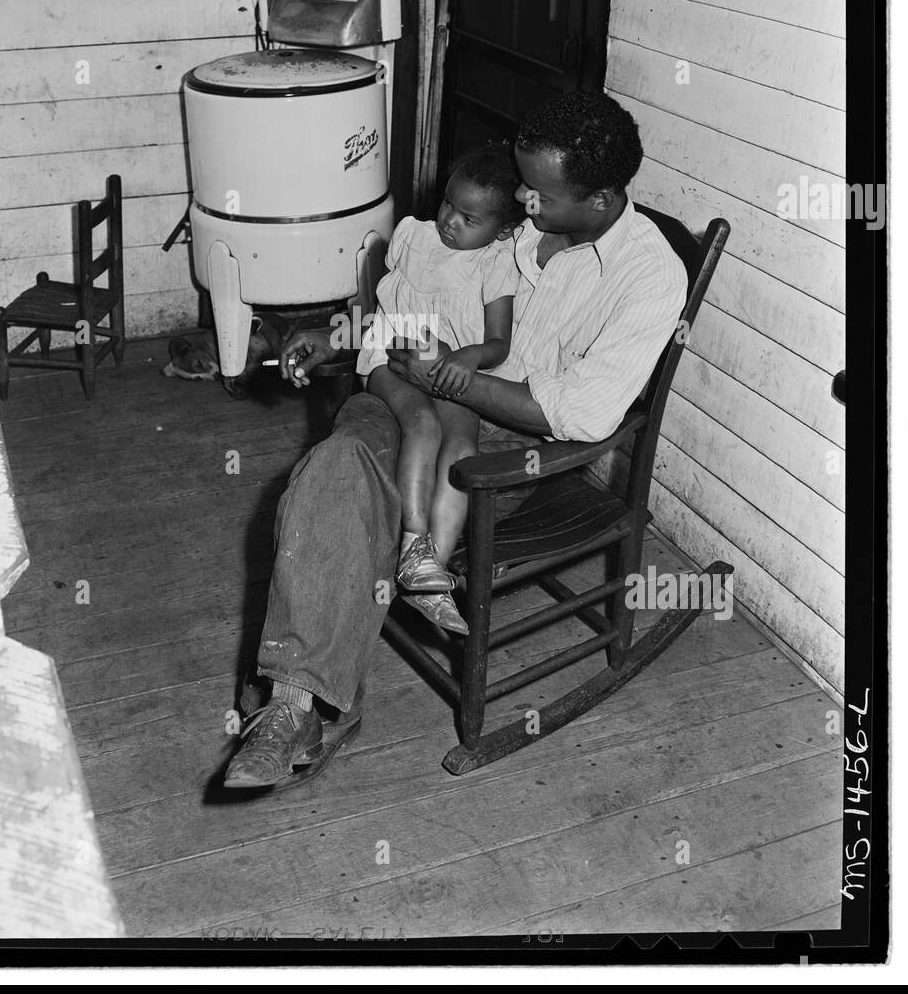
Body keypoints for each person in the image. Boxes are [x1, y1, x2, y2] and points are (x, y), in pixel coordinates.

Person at [223, 91, 687, 789]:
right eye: (521, 185)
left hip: (515, 444)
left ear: (600, 197)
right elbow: (408, 292)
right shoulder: (501, 219)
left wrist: (451, 381)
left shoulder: (647, 279)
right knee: (337, 462)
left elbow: (585, 416)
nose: (522, 200)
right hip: (416, 387)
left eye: (538, 193)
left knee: (355, 492)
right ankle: (297, 703)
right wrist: (341, 336)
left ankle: (307, 696)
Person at [358, 148, 523, 636]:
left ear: (502, 230)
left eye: (468, 218)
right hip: (391, 354)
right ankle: (413, 543)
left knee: (463, 447)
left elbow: (498, 343)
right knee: (423, 426)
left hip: (450, 371)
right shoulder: (413, 235)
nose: (450, 220)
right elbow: (384, 304)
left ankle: (432, 568)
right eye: (449, 204)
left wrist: (469, 357)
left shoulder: (496, 265)